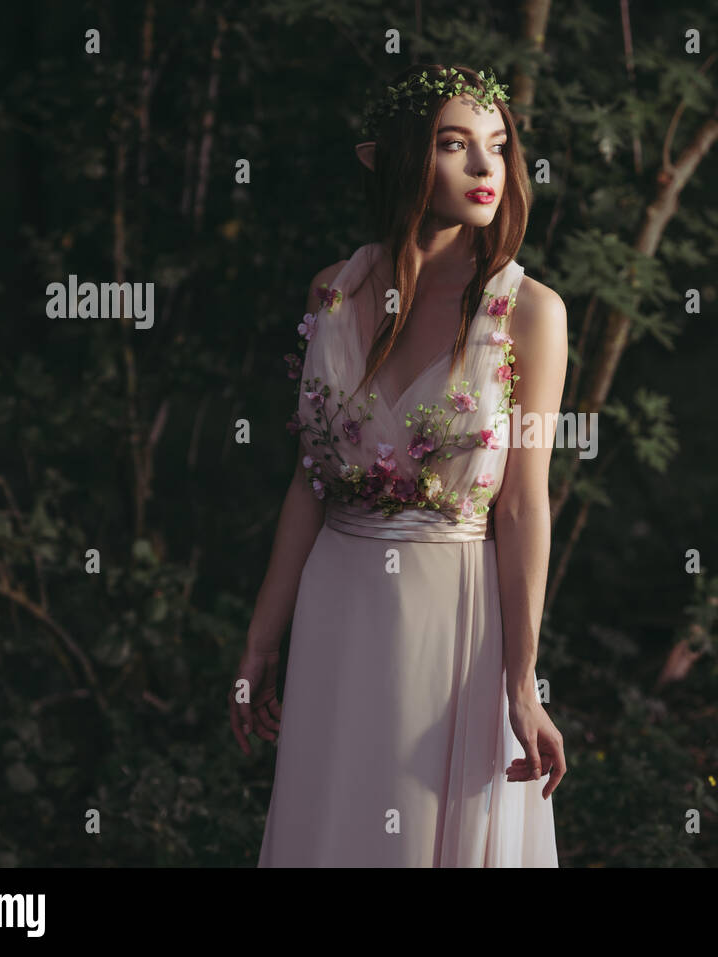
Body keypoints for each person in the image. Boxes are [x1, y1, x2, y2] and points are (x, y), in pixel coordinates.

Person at [230, 64, 567, 866]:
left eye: (496, 147)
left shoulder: (528, 311)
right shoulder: (334, 293)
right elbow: (310, 485)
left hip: (455, 617)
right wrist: (257, 645)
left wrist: (522, 679)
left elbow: (522, 506)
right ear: (403, 158)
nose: (487, 169)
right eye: (457, 146)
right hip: (337, 610)